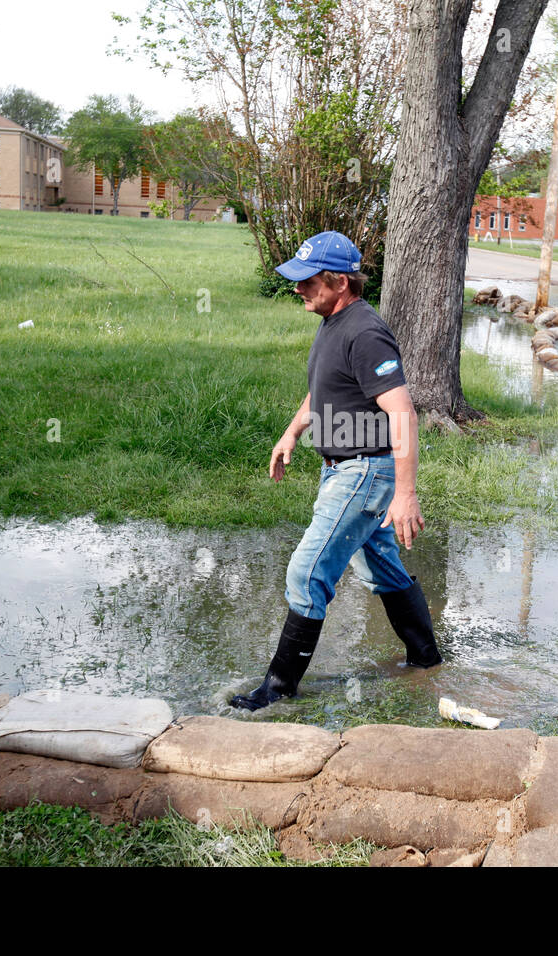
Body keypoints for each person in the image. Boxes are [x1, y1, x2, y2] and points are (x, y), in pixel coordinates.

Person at [230, 231, 442, 711]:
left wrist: (405, 494)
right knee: (382, 570)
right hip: (344, 469)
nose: (298, 288)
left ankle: (277, 690)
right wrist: (292, 433)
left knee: (307, 573)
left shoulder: (365, 332)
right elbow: (326, 390)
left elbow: (402, 413)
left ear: (340, 281)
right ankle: (427, 661)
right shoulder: (333, 322)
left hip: (364, 473)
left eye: (308, 280)